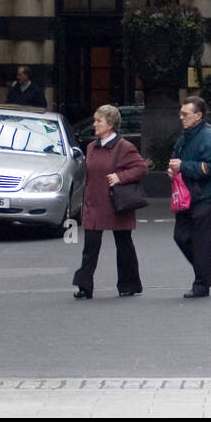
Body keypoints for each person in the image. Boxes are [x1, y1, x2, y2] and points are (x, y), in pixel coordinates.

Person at [72, 104, 147, 300]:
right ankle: (84, 287)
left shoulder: (125, 147)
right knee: (90, 247)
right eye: (95, 120)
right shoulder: (91, 147)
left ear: (110, 125)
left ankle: (129, 285)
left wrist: (121, 177)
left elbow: (141, 168)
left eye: (99, 121)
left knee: (124, 245)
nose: (94, 124)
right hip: (94, 204)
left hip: (116, 205)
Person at [170, 95, 211, 299]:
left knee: (200, 240)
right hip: (186, 197)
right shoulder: (184, 138)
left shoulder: (209, 137)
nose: (181, 117)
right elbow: (175, 161)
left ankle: (201, 284)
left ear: (198, 116)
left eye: (185, 114)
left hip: (206, 197)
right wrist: (172, 171)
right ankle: (208, 268)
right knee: (181, 236)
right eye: (181, 113)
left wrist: (182, 167)